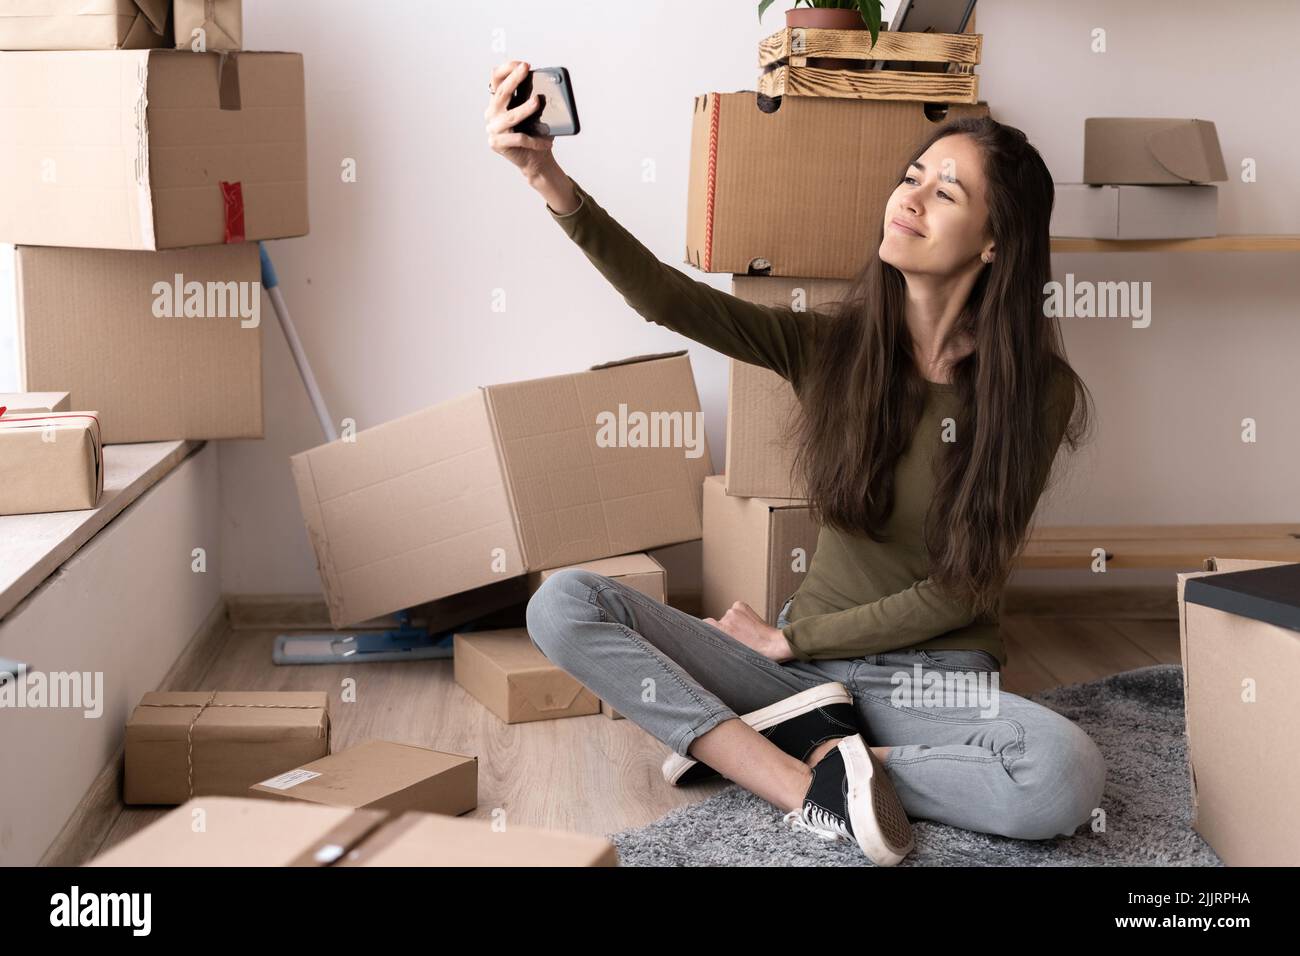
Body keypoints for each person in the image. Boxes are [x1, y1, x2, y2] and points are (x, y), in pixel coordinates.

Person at [485, 59, 1106, 866]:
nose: (909, 199)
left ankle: (817, 759)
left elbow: (960, 590)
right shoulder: (829, 347)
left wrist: (795, 639)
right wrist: (546, 176)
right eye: (911, 177)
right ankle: (794, 778)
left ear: (996, 243)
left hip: (927, 681)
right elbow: (668, 300)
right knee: (562, 604)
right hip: (804, 679)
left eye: (944, 192)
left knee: (1065, 774)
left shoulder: (1037, 393)